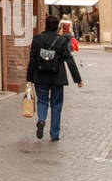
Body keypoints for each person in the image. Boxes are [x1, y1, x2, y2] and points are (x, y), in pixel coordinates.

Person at [26, 14, 83, 142]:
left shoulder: (37, 39)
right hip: (57, 77)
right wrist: (77, 79)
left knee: (42, 101)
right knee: (56, 105)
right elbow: (69, 60)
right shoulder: (61, 40)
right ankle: (54, 134)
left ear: (45, 25)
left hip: (40, 76)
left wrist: (29, 78)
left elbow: (33, 59)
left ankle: (41, 120)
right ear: (57, 26)